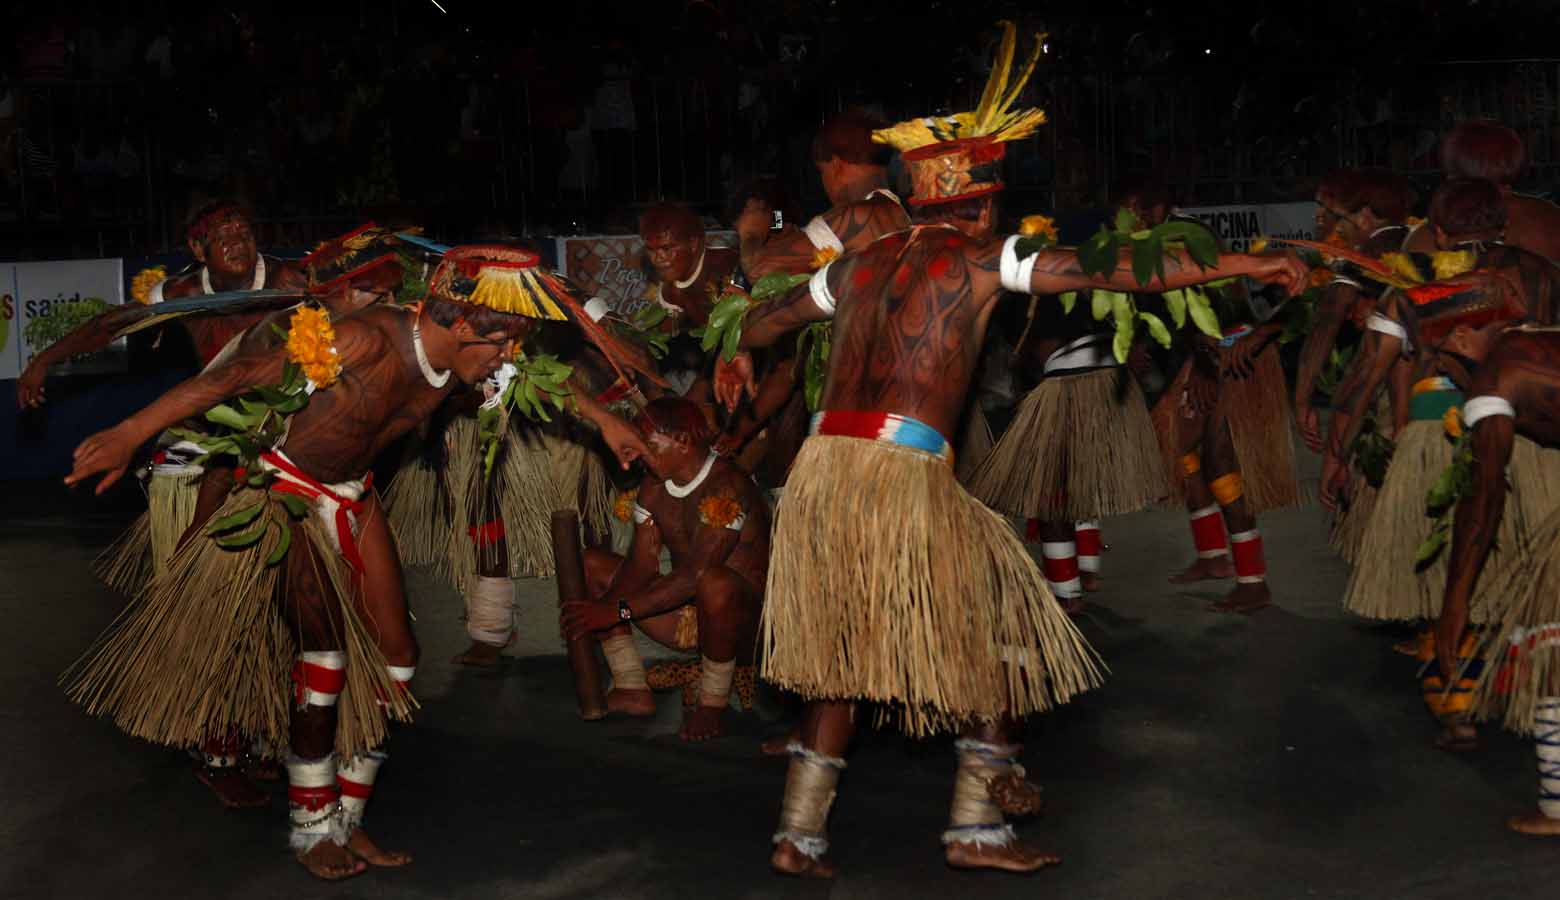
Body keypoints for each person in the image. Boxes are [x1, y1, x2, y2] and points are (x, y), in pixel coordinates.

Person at [715, 25, 1306, 875]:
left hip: (822, 475)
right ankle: (976, 828)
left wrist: (736, 353)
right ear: (985, 204)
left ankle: (797, 835)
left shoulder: (857, 266)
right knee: (1008, 630)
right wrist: (1244, 263)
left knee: (843, 651)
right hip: (899, 475)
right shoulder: (984, 258)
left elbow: (765, 320)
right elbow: (1115, 271)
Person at [62, 251, 651, 881]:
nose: (506, 359)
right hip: (281, 494)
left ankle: (347, 817)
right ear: (461, 326)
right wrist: (129, 433)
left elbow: (534, 374)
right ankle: (311, 827)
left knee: (398, 658)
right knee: (325, 657)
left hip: (353, 495)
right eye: (500, 346)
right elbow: (232, 379)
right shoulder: (363, 340)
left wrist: (605, 423)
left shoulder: (467, 353)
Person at [560, 396, 768, 741]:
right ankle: (630, 686)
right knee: (593, 565)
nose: (637, 454)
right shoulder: (654, 486)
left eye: (649, 445)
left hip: (744, 627)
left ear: (682, 442)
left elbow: (695, 576)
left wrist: (617, 611)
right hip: (687, 618)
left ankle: (712, 704)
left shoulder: (727, 487)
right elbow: (641, 566)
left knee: (714, 583)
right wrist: (601, 611)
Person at [1433, 327, 1560, 834]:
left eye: (1445, 361)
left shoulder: (1494, 380)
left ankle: (1558, 806)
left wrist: (1455, 601)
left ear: (1464, 337)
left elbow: (1484, 499)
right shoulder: (1533, 342)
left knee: (1550, 630)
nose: (1445, 372)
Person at [16, 199, 307, 408]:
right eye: (223, 237)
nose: (239, 243)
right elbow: (108, 326)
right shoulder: (182, 293)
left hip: (289, 407)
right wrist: (44, 360)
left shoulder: (289, 282)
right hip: (221, 412)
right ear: (198, 249)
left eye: (244, 233)